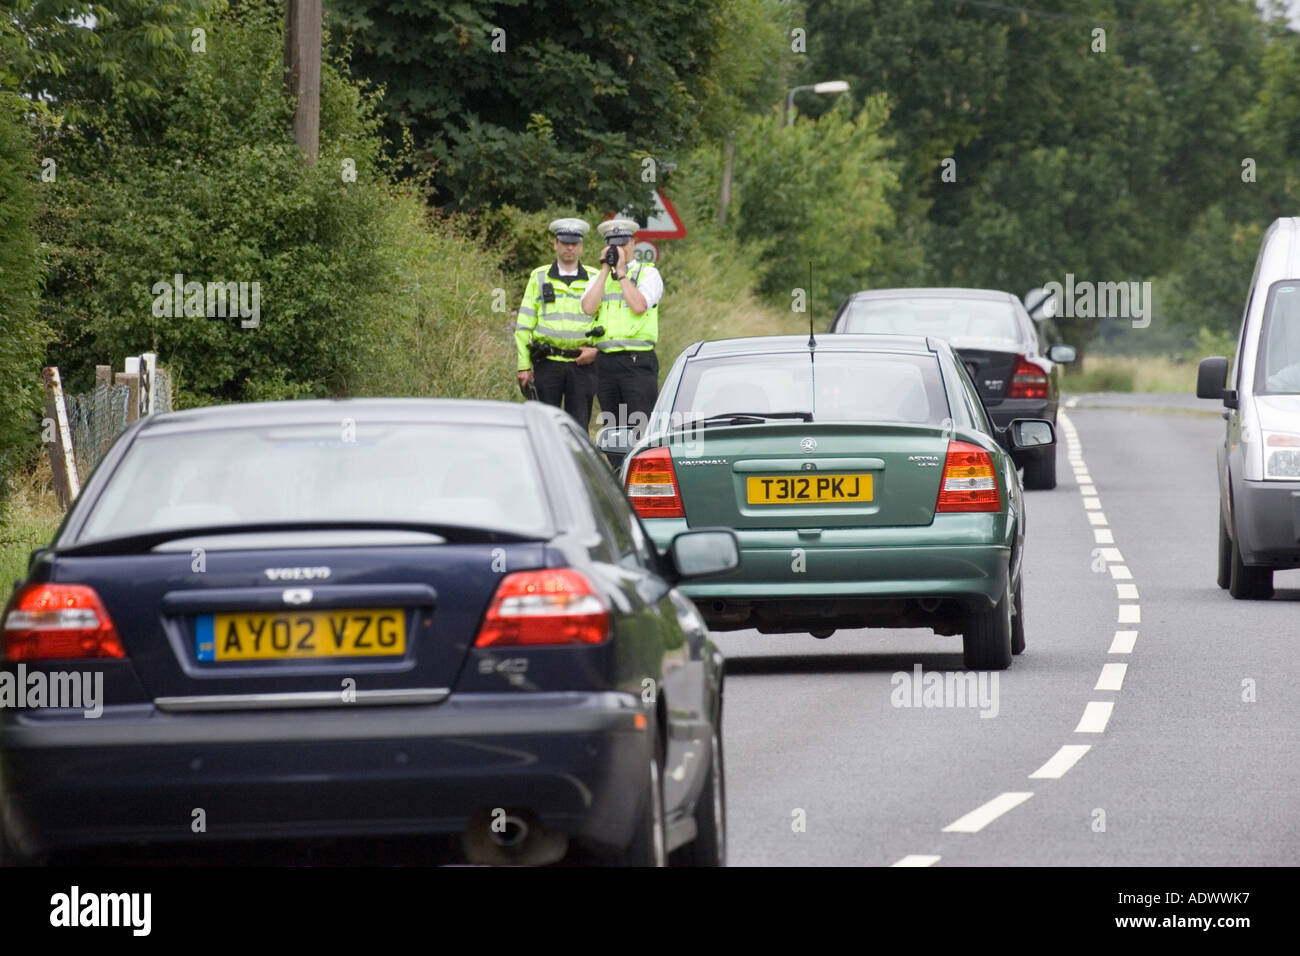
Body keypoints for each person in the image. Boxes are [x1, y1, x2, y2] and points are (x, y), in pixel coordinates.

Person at [514, 218, 603, 425]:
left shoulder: (595, 278)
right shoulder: (539, 277)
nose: (569, 247)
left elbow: (606, 322)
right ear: (555, 244)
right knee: (544, 426)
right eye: (564, 242)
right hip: (547, 363)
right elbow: (524, 325)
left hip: (581, 365)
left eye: (574, 243)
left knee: (578, 427)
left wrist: (597, 351)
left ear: (581, 246)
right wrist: (523, 366)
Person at [580, 218, 664, 433]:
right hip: (605, 362)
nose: (619, 250)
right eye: (613, 245)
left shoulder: (648, 273)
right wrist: (604, 271)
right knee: (613, 428)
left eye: (623, 244)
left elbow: (639, 306)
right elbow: (588, 307)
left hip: (637, 362)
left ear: (633, 244)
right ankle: (615, 457)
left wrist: (621, 274)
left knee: (640, 426)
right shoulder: (599, 278)